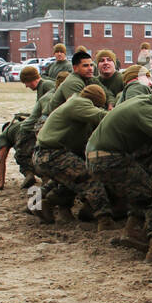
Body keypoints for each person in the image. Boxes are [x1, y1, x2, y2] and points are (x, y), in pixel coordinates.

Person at [85, 82, 152, 259]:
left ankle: (132, 231)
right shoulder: (149, 111)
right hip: (108, 159)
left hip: (100, 157)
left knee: (139, 190)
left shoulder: (142, 101)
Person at [31, 85, 110, 227]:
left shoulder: (74, 103)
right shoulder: (79, 103)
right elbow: (102, 117)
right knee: (90, 178)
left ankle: (46, 204)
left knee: (72, 181)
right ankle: (105, 220)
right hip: (52, 154)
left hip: (45, 155)